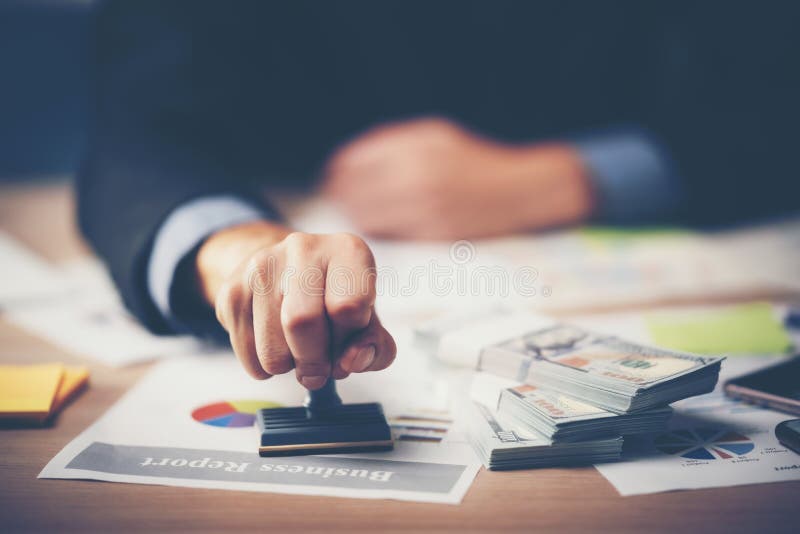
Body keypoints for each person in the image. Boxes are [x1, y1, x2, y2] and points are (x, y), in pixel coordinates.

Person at [78, 1, 800, 390]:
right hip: (306, 214)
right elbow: (136, 129)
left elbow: (773, 92)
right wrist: (238, 251)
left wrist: (564, 176)